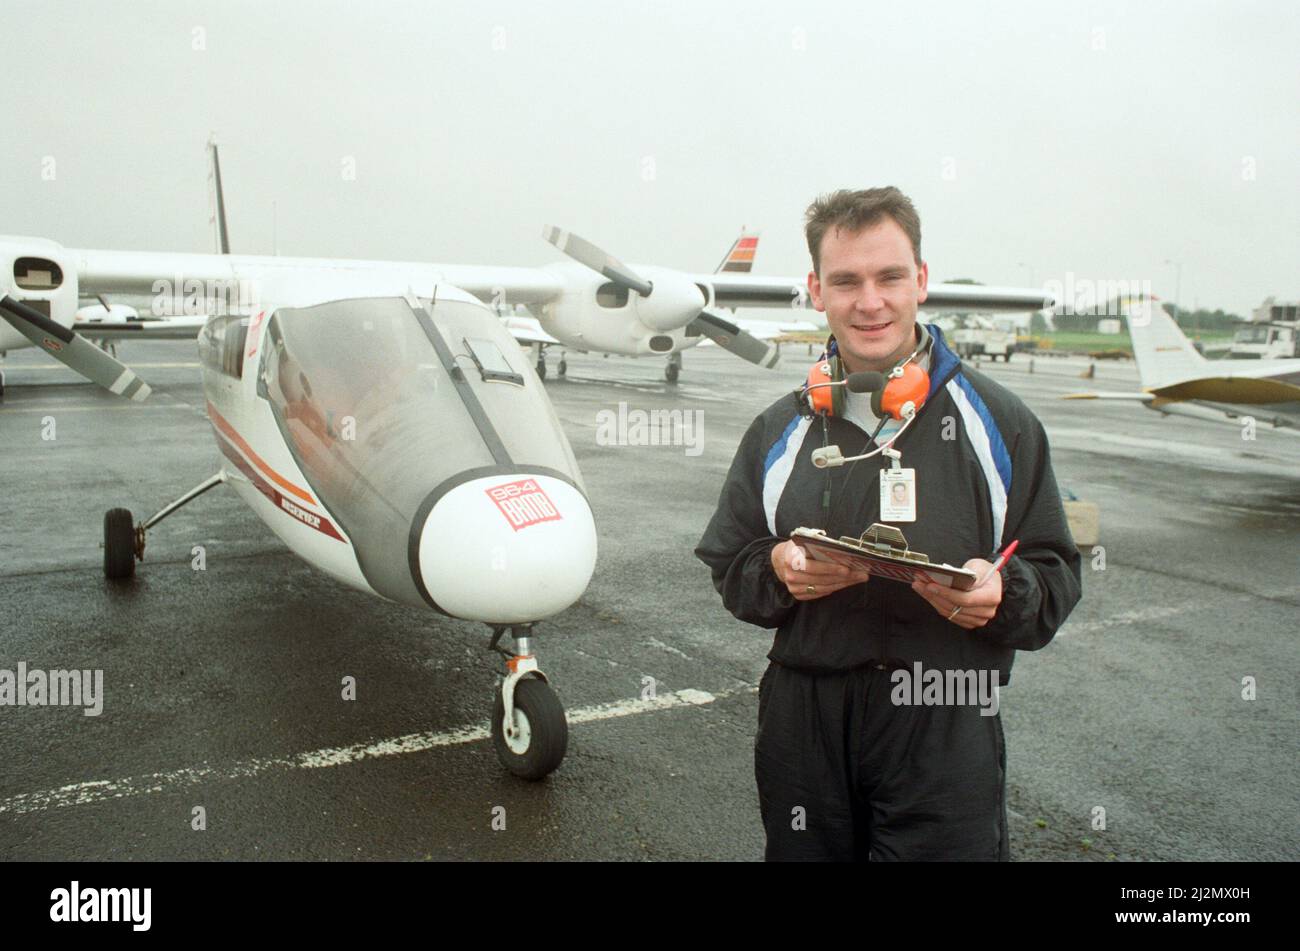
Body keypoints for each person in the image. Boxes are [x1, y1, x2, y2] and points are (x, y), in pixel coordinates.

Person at [695, 187, 1082, 861]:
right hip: (804, 724)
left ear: (922, 281)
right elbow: (732, 564)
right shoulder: (778, 430)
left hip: (946, 719)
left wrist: (1004, 594)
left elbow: (1055, 574)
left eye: (889, 277)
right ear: (817, 290)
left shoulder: (1003, 423)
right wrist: (780, 568)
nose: (869, 301)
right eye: (846, 281)